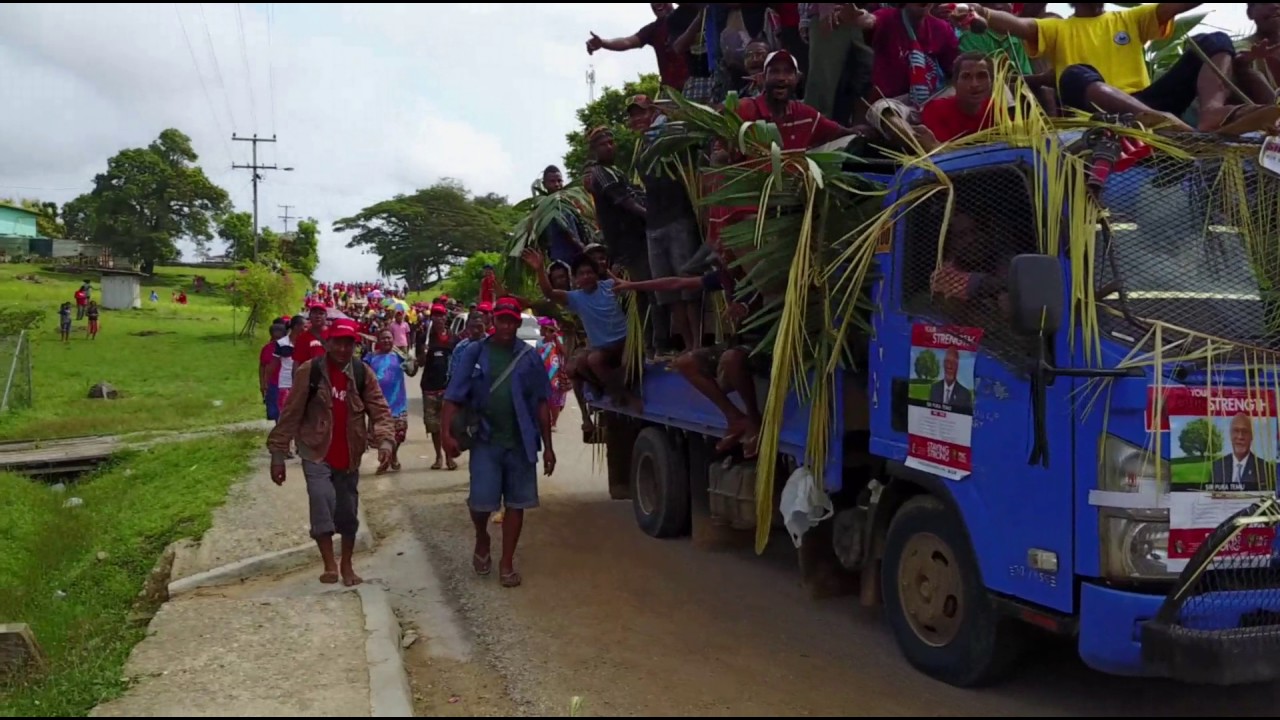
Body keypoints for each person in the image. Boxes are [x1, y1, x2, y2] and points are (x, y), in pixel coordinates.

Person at [974, 3, 1280, 134]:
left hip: (1147, 103)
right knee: (1073, 75)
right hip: (1101, 112)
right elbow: (1017, 24)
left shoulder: (1130, 19)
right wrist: (981, 11)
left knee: (1214, 39)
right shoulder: (1056, 28)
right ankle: (1167, 124)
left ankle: (1212, 112)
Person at [268, 318, 396, 587]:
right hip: (315, 449)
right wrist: (278, 454)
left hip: (349, 454)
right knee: (321, 499)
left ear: (354, 345)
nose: (342, 349)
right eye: (337, 342)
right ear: (327, 343)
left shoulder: (363, 373)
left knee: (348, 513)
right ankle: (329, 563)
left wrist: (385, 440)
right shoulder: (309, 372)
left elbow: (380, 410)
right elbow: (290, 413)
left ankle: (347, 563)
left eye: (348, 343)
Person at [442, 296, 556, 589]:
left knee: (517, 504)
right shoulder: (475, 353)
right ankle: (482, 537)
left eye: (511, 321)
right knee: (481, 504)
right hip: (485, 440)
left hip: (521, 442)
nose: (506, 325)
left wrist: (549, 447)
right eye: (501, 320)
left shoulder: (529, 358)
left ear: (517, 324)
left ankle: (507, 563)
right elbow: (453, 396)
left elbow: (542, 402)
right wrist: (446, 435)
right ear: (493, 322)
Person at [524, 248, 639, 413]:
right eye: (582, 274)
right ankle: (615, 393)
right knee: (589, 361)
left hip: (626, 342)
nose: (586, 277)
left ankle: (623, 393)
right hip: (603, 348)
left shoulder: (610, 286)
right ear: (576, 279)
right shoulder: (575, 298)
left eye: (589, 272)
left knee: (618, 366)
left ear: (596, 274)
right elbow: (549, 292)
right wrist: (540, 269)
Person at [364, 329, 414, 473]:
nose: (386, 341)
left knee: (399, 433)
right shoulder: (370, 357)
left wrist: (412, 362)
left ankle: (393, 455)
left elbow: (411, 372)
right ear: (378, 341)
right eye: (383, 338)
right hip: (378, 405)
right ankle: (384, 459)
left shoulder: (399, 356)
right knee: (379, 435)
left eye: (389, 338)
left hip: (398, 403)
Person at [417, 304, 459, 471]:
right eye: (435, 316)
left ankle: (449, 456)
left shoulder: (452, 338)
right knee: (433, 425)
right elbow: (419, 363)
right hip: (429, 387)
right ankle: (438, 457)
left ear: (445, 318)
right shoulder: (424, 337)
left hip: (448, 388)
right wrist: (423, 352)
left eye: (441, 316)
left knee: (448, 425)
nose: (438, 319)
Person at [1208, 413, 1274, 492]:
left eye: (1245, 431)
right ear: (1230, 434)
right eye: (1236, 431)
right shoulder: (1217, 467)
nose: (1240, 437)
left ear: (1251, 436)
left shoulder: (1265, 469)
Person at [928, 348, 973, 412]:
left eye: (953, 362)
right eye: (947, 361)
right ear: (943, 364)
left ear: (957, 366)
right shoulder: (934, 389)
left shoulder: (965, 394)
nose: (949, 366)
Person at [260, 321, 288, 421]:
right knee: (274, 413)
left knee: (285, 411)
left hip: (286, 384)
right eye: (275, 338)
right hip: (272, 384)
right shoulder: (267, 349)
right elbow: (262, 366)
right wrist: (263, 383)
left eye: (279, 338)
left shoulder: (288, 347)